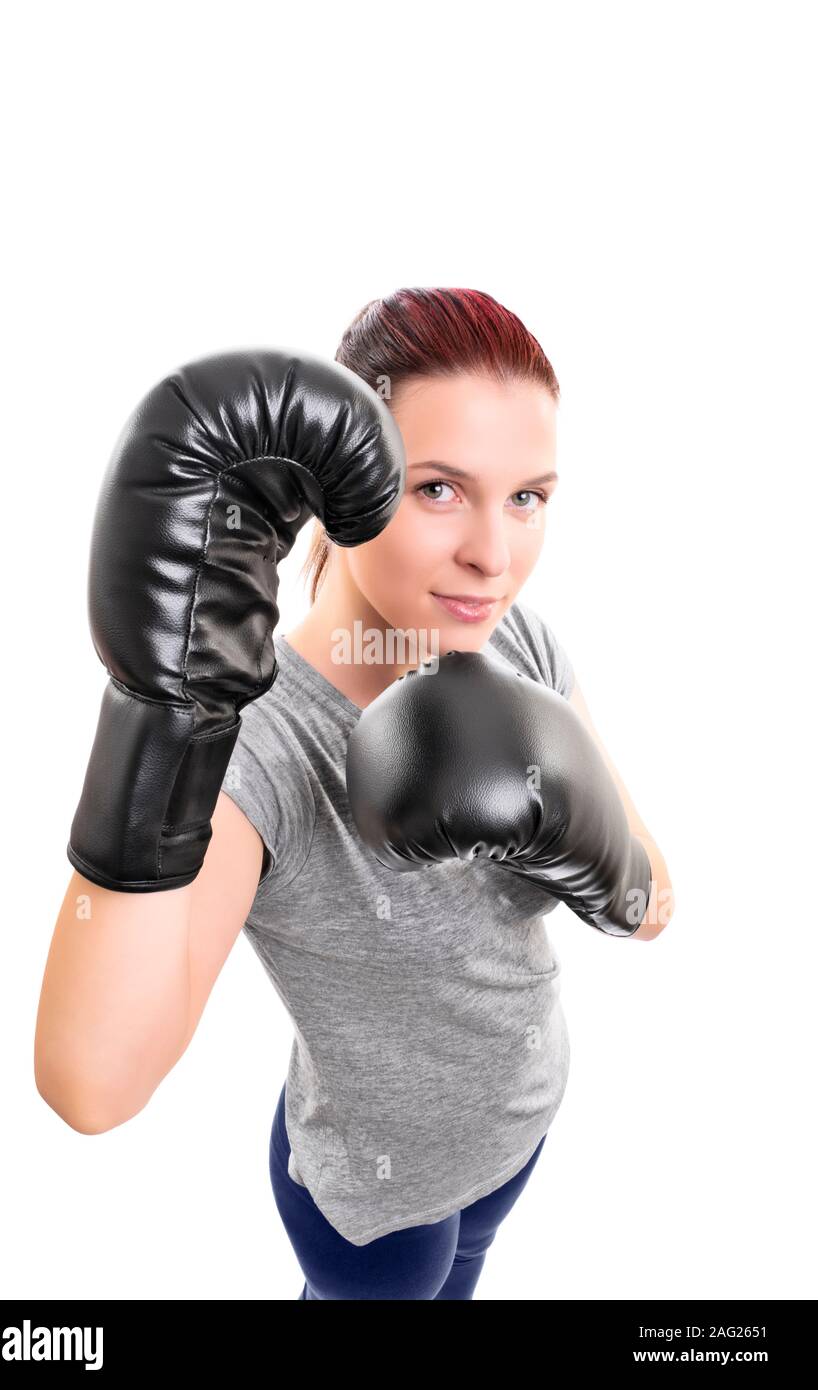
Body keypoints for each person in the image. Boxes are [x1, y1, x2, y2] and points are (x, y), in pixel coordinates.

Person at [36, 287, 674, 1301]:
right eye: (436, 488)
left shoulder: (520, 641)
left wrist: (595, 848)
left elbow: (650, 908)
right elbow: (91, 1083)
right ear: (345, 480)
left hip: (520, 1130)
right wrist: (161, 721)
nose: (492, 555)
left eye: (526, 496)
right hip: (375, 1208)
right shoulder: (258, 746)